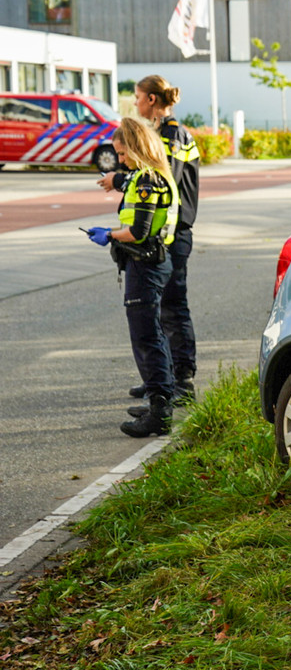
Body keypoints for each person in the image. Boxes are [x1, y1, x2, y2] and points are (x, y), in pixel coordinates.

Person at [98, 75, 199, 403]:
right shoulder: (167, 132)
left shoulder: (172, 134)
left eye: (138, 97)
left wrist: (120, 179)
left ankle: (181, 379)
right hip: (165, 232)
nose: (136, 103)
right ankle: (161, 377)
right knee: (156, 311)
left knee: (172, 307)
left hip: (172, 234)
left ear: (152, 100)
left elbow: (159, 175)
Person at [87, 118, 180, 438]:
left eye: (123, 154)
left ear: (137, 149)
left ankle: (160, 411)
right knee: (152, 333)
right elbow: (130, 188)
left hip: (146, 265)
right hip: (151, 264)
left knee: (146, 336)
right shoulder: (149, 177)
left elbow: (138, 232)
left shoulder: (147, 181)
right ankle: (161, 399)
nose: (120, 161)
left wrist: (109, 235)